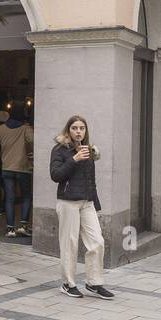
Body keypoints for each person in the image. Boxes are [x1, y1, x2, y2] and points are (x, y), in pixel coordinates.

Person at [50, 115, 114, 300]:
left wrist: (94, 201)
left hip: (87, 203)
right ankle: (67, 283)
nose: (78, 131)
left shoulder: (89, 150)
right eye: (75, 128)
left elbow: (90, 180)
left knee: (97, 242)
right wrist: (74, 159)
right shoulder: (60, 150)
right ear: (68, 130)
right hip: (68, 202)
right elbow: (55, 175)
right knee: (69, 244)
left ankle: (93, 283)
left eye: (82, 128)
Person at [0, 109, 34, 237]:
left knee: (9, 198)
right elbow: (32, 141)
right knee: (26, 196)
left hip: (7, 167)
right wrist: (30, 154)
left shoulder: (0, 129)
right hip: (23, 168)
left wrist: (3, 156)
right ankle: (23, 226)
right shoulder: (26, 129)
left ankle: (10, 229)